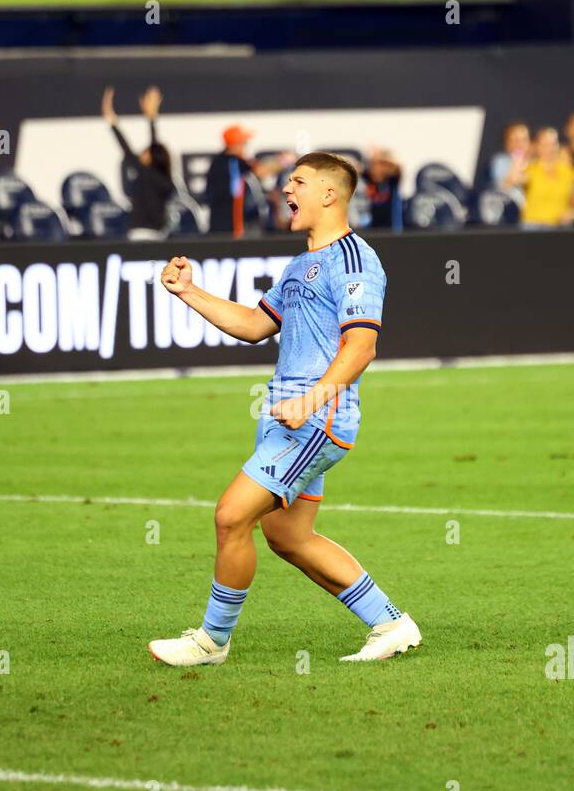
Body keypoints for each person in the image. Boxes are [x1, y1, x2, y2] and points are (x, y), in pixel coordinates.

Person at [147, 151, 420, 666]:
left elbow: (361, 347)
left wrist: (313, 399)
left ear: (330, 193)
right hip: (284, 413)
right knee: (288, 536)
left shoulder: (357, 262)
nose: (285, 190)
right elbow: (254, 325)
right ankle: (391, 623)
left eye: (297, 181)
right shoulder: (299, 265)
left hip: (317, 416)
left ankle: (211, 641)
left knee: (231, 517)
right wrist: (188, 292)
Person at [102, 84, 175, 240]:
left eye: (146, 152)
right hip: (156, 234)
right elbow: (152, 148)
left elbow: (126, 148)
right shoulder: (165, 180)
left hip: (142, 234)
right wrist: (151, 118)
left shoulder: (146, 173)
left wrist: (112, 122)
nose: (142, 153)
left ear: (153, 158)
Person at [204, 125, 284, 238]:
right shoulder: (232, 162)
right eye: (243, 143)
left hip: (224, 225)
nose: (245, 147)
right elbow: (260, 171)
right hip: (228, 227)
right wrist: (283, 161)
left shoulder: (220, 162)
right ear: (234, 145)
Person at [522, 127, 574, 226]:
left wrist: (573, 213)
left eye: (553, 144)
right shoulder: (529, 169)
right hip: (532, 225)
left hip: (559, 227)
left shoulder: (567, 171)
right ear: (537, 146)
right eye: (544, 144)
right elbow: (511, 183)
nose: (549, 149)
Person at [361, 147, 403, 229]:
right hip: (371, 229)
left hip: (390, 229)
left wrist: (380, 157)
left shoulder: (392, 180)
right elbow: (354, 167)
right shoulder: (367, 178)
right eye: (373, 164)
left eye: (381, 165)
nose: (376, 168)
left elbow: (398, 166)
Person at [489, 122, 530, 196]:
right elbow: (502, 187)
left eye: (524, 139)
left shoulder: (535, 162)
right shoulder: (500, 161)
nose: (520, 144)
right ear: (507, 142)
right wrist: (517, 164)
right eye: (516, 140)